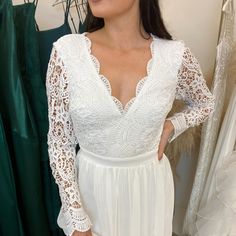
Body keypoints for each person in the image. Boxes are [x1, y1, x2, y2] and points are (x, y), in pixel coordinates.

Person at [46, 0, 215, 236]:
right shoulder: (67, 53)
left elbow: (205, 102)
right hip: (92, 192)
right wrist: (77, 218)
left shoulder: (173, 56)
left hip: (149, 189)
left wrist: (171, 126)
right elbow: (59, 142)